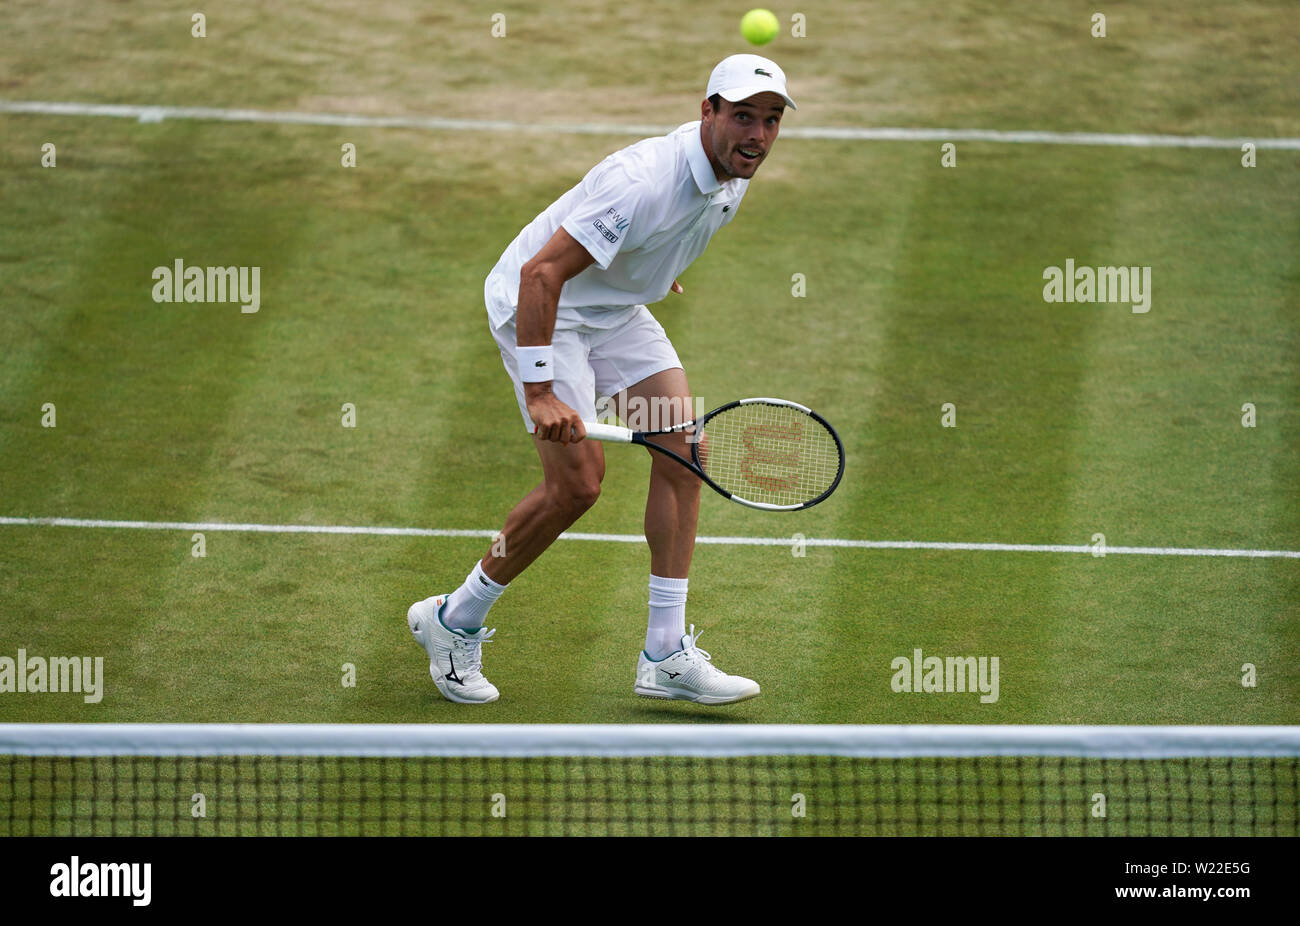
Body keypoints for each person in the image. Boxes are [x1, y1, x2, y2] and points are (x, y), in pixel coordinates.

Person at [407, 54, 796, 705]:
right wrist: (540, 391)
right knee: (577, 486)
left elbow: (667, 235)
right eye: (742, 117)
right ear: (708, 113)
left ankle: (664, 655)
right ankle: (453, 620)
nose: (756, 135)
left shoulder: (735, 171)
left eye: (770, 120)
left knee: (683, 451)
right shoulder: (641, 182)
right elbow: (540, 275)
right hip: (545, 308)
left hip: (610, 308)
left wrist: (648, 270)